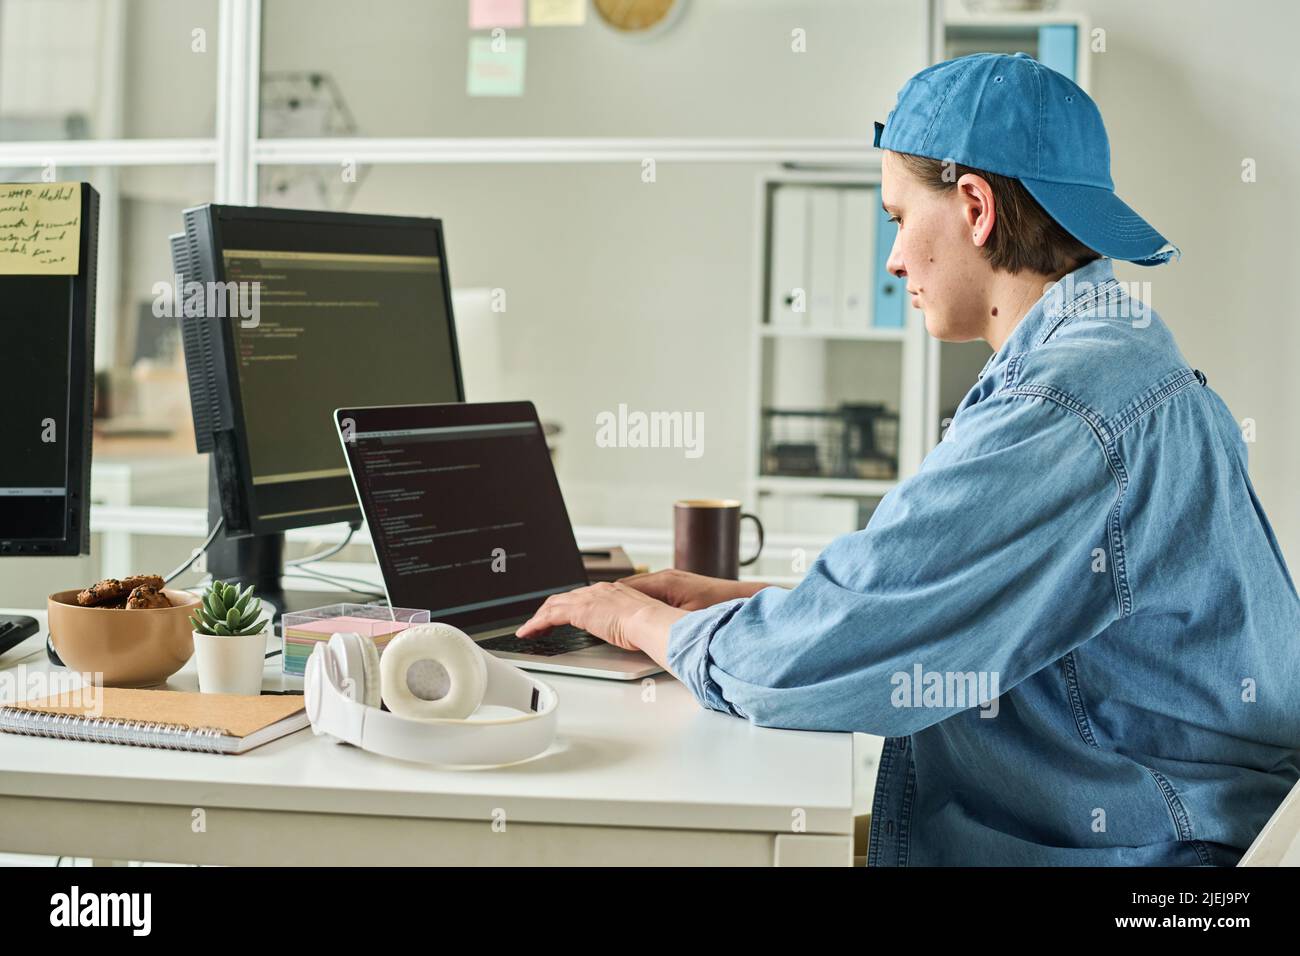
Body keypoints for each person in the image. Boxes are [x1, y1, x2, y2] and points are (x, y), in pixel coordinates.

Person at [516, 52, 1300, 866]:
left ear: (974, 206)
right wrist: (745, 601)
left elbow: (809, 665)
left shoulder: (1065, 404)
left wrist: (635, 619)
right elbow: (959, 610)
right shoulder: (1112, 358)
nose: (892, 262)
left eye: (896, 218)